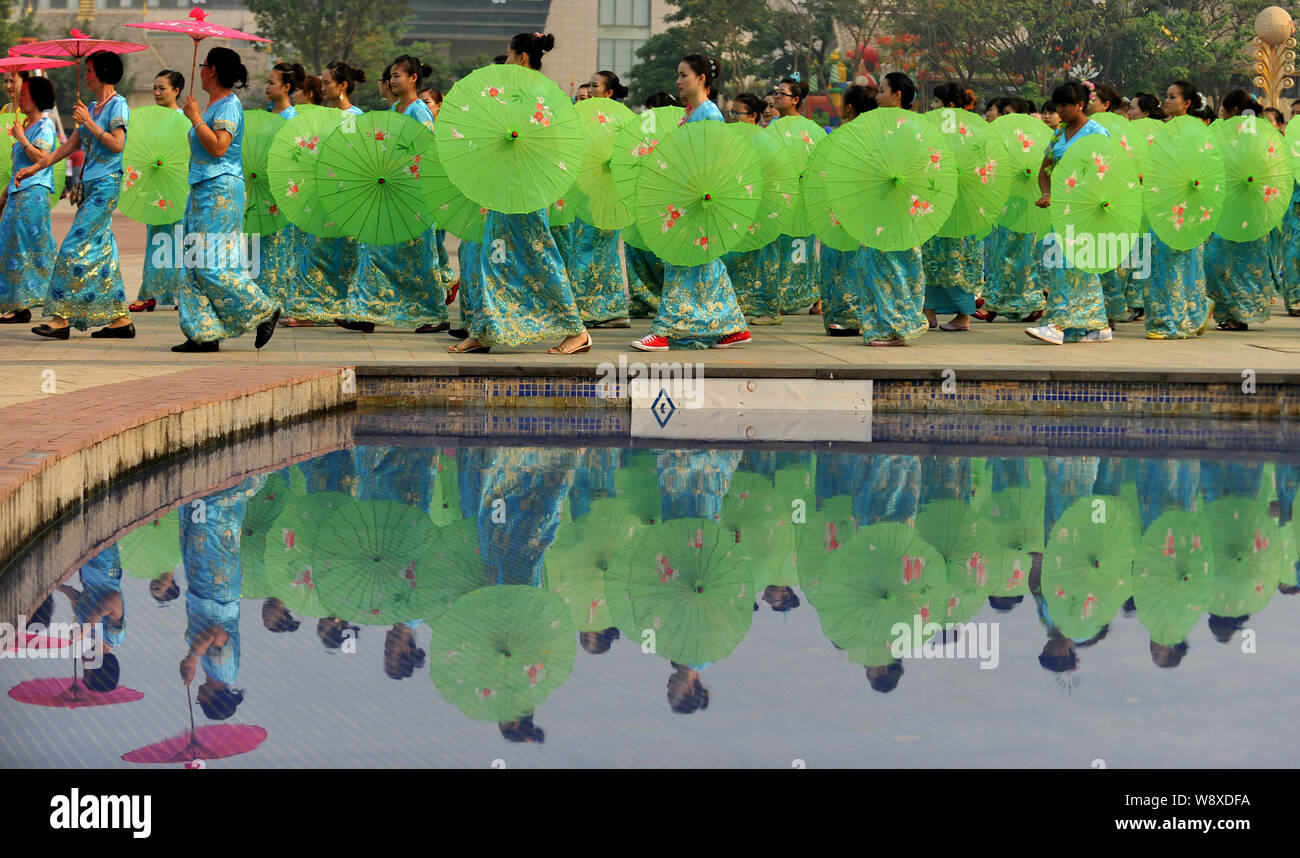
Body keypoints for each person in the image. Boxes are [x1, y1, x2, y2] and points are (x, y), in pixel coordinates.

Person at [449, 33, 590, 355]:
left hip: (527, 190)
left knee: (541, 256)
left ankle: (577, 330)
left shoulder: (541, 95)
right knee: (494, 255)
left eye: (509, 55)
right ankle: (485, 329)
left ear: (522, 57)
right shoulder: (517, 93)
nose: (507, 61)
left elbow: (555, 144)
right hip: (503, 188)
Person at [629, 54, 750, 351]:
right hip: (686, 199)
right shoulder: (691, 113)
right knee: (703, 263)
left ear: (701, 79)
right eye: (678, 75)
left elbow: (715, 163)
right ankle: (731, 326)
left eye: (684, 75)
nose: (678, 81)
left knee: (683, 263)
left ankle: (666, 330)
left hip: (698, 200)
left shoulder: (709, 115)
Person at [171, 46, 280, 351]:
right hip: (201, 187)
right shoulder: (211, 105)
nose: (201, 71)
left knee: (211, 264)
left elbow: (219, 147)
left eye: (204, 66)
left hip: (220, 190)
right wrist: (197, 116)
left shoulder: (229, 106)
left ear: (212, 71)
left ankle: (263, 309)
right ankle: (203, 333)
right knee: (194, 262)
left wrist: (195, 118)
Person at [336, 55, 450, 334]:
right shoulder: (397, 109)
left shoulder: (419, 111)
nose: (392, 80)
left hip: (412, 195)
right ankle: (364, 311)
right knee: (372, 249)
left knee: (421, 258)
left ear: (413, 78)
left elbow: (426, 151)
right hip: (391, 192)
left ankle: (436, 313)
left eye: (398, 75)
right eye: (391, 76)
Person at [23, 53, 132, 340]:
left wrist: (89, 123)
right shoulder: (92, 107)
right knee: (104, 250)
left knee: (73, 246)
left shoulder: (118, 105)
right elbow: (70, 145)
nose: (86, 76)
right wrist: (37, 166)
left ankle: (61, 318)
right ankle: (120, 319)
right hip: (89, 186)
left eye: (91, 71)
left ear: (104, 72)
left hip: (106, 185)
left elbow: (117, 144)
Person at [1025, 80, 1112, 345]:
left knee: (1075, 265)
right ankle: (1096, 325)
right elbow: (1044, 170)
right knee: (1066, 266)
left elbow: (1106, 173)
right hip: (1062, 210)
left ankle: (1058, 323)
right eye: (1057, 105)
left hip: (1086, 209)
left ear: (1080, 105)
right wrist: (1047, 193)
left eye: (1064, 105)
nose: (1059, 110)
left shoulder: (1097, 133)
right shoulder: (1058, 135)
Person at [854, 72, 928, 347]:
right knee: (873, 263)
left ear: (897, 95)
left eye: (883, 90)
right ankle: (881, 324)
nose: (878, 96)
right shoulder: (878, 125)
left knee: (894, 265)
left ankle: (897, 327)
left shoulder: (910, 128)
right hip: (879, 202)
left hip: (898, 204)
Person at [1204, 88, 1279, 331]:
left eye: (1223, 109)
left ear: (1235, 110)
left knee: (1221, 260)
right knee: (1244, 263)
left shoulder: (1236, 135)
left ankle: (1237, 314)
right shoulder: (1261, 133)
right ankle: (1237, 312)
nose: (1221, 113)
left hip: (1237, 204)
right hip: (1252, 205)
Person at [1141, 80, 1212, 340]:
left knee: (1180, 258)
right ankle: (1188, 311)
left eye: (1173, 97)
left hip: (1185, 202)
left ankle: (1175, 320)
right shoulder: (1163, 129)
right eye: (1166, 96)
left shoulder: (1195, 130)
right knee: (1159, 258)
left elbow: (1203, 166)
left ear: (1187, 103)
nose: (1167, 101)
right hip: (1162, 201)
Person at [568, 69, 632, 329]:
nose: (590, 90)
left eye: (595, 86)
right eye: (590, 85)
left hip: (608, 189)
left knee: (596, 249)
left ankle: (597, 309)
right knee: (589, 248)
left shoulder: (620, 119)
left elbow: (631, 150)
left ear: (609, 92)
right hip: (588, 189)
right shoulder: (584, 116)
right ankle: (608, 309)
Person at [923, 82, 983, 333]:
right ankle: (931, 310)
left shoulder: (954, 129)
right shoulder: (973, 129)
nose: (932, 106)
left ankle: (961, 314)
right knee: (935, 256)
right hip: (948, 201)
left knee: (954, 258)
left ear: (948, 105)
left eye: (936, 102)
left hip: (952, 201)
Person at [816, 84, 875, 337]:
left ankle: (842, 317)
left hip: (842, 206)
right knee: (862, 262)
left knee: (838, 262)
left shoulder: (841, 136)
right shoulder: (876, 136)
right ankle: (865, 315)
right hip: (868, 209)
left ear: (849, 107)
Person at [0, 77, 58, 326]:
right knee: (11, 247)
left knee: (31, 247)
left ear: (36, 97)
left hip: (33, 196)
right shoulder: (25, 125)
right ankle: (17, 304)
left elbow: (42, 158)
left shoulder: (45, 125)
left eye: (24, 93)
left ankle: (52, 298)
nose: (19, 97)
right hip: (16, 194)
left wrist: (22, 140)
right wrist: (4, 194)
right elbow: (18, 167)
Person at [721, 92, 781, 324]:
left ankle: (769, 309)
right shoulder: (730, 139)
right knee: (736, 255)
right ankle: (738, 304)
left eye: (738, 113)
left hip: (762, 204)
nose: (733, 117)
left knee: (763, 256)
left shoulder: (765, 140)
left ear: (753, 116)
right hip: (737, 204)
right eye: (732, 112)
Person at [257, 62, 309, 326]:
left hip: (284, 190)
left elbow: (299, 157)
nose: (267, 86)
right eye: (266, 82)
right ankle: (264, 303)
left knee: (285, 248)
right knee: (263, 247)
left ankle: (285, 303)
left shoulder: (294, 119)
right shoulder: (265, 115)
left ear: (287, 87)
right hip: (261, 189)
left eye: (272, 82)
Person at [131, 70, 187, 314]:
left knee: (177, 240)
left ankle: (180, 293)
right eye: (155, 88)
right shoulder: (152, 119)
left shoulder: (183, 119)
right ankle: (150, 292)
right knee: (155, 238)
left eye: (162, 88)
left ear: (176, 91)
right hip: (155, 187)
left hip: (175, 186)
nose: (156, 92)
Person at [770, 75, 821, 316]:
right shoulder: (773, 127)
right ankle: (784, 295)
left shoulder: (813, 130)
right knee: (785, 247)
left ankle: (814, 297)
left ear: (795, 100)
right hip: (781, 196)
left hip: (801, 196)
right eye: (776, 92)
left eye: (782, 93)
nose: (776, 97)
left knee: (802, 247)